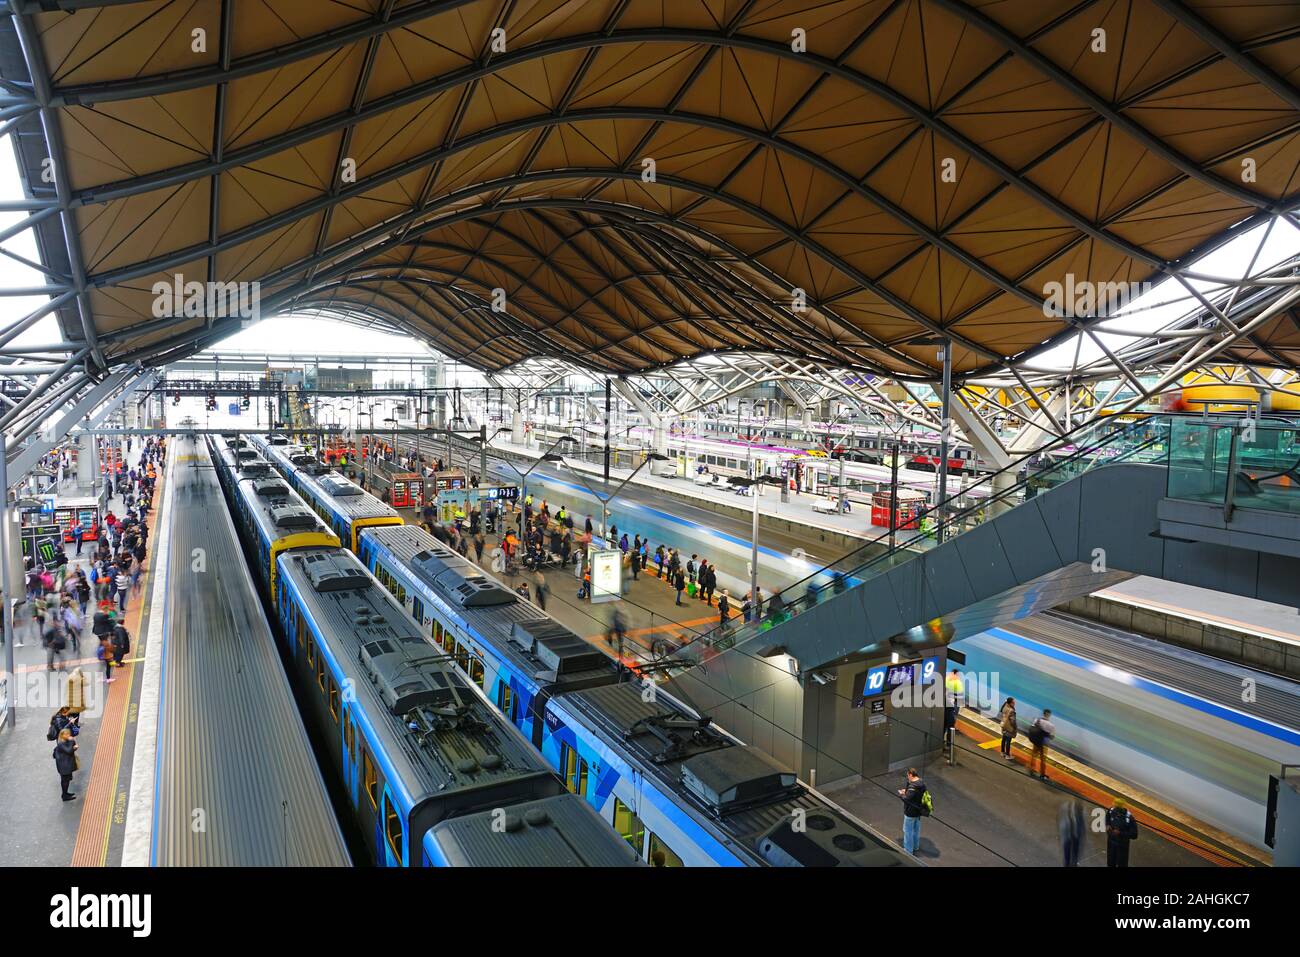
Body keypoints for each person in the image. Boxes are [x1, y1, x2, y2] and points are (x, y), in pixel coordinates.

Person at [897, 767, 927, 856]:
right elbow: (915, 796)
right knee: (916, 830)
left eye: (907, 776)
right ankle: (915, 846)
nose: (907, 777)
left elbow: (906, 799)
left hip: (910, 812)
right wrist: (906, 791)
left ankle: (908, 851)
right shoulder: (922, 783)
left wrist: (902, 794)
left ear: (910, 774)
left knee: (907, 831)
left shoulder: (913, 786)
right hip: (918, 811)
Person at [1105, 799, 1139, 867]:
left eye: (1117, 807)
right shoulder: (1111, 810)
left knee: (1122, 864)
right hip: (1111, 842)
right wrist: (1108, 825)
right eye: (1115, 806)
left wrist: (1120, 833)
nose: (1115, 808)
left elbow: (1134, 835)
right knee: (1110, 862)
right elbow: (1107, 817)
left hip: (1122, 845)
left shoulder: (1129, 818)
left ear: (1121, 808)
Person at [1027, 709, 1056, 779]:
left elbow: (1032, 728)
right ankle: (1042, 774)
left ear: (1043, 714)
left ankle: (1031, 769)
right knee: (1043, 759)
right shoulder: (1051, 725)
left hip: (1036, 741)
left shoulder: (1037, 720)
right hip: (1043, 743)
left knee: (1033, 755)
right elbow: (1052, 737)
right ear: (1049, 715)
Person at [53, 728, 79, 802]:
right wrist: (72, 742)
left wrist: (72, 742)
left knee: (66, 780)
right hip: (64, 766)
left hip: (66, 764)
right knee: (65, 781)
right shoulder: (61, 743)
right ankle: (64, 795)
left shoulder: (65, 741)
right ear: (62, 735)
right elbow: (69, 750)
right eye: (66, 734)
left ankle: (65, 793)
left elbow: (72, 747)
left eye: (69, 734)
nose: (68, 735)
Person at [1059, 799, 1085, 867]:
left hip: (1076, 835)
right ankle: (1067, 864)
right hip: (1067, 836)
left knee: (1075, 853)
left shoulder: (1082, 812)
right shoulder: (1066, 809)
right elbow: (1062, 823)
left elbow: (1082, 825)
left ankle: (1074, 863)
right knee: (1067, 853)